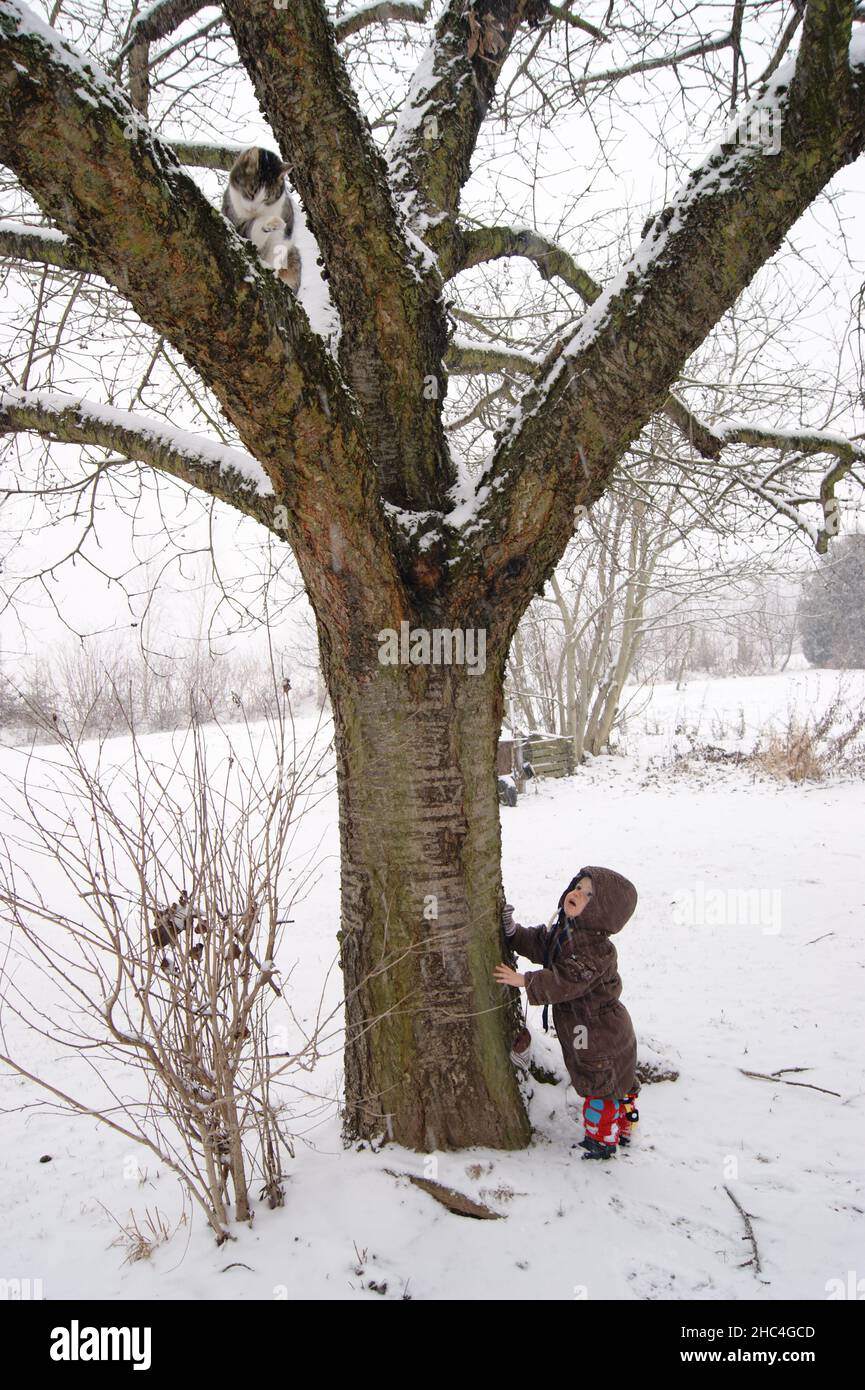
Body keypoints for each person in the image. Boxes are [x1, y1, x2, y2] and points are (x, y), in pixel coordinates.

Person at [495, 867, 640, 1160]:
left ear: (603, 912)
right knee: (614, 1082)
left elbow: (567, 980)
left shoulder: (597, 951)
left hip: (599, 1033)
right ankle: (621, 1126)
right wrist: (513, 933)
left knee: (601, 1088)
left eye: (589, 895)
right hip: (591, 1027)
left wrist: (526, 981)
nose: (577, 894)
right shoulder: (567, 931)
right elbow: (543, 945)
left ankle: (603, 1140)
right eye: (578, 886)